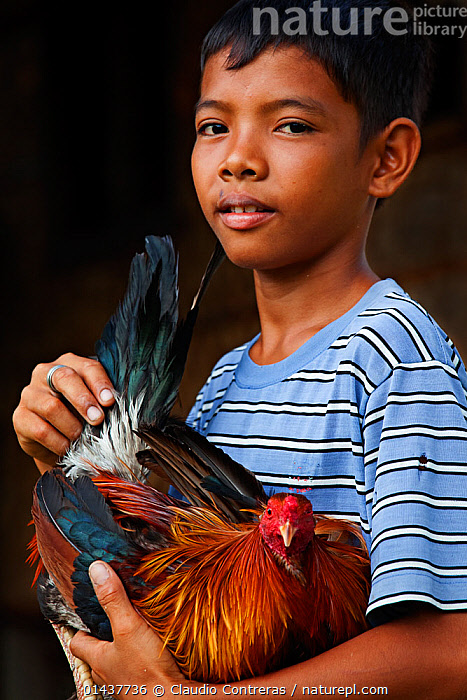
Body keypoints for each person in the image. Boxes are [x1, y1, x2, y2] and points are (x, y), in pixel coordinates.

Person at [13, 0, 467, 696]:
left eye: (289, 124)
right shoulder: (229, 376)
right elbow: (176, 590)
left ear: (386, 158)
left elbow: (449, 653)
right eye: (213, 126)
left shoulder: (395, 357)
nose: (238, 159)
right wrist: (72, 450)